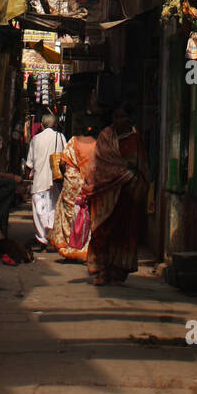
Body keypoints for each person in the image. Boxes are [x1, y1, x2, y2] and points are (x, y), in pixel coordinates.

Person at [84, 101, 149, 285]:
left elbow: (142, 168)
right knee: (102, 232)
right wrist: (121, 174)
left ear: (130, 119)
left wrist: (133, 182)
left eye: (123, 117)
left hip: (126, 195)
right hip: (105, 194)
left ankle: (118, 270)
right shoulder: (106, 137)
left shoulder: (135, 140)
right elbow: (99, 164)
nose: (119, 120)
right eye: (116, 117)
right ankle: (101, 269)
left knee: (123, 234)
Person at [50, 115, 97, 261]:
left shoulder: (73, 142)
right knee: (86, 216)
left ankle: (69, 248)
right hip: (88, 184)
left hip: (71, 184)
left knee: (68, 215)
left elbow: (63, 163)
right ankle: (84, 249)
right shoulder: (97, 145)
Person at [25, 112, 67, 250]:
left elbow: (29, 163)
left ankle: (42, 238)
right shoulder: (61, 137)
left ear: (42, 125)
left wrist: (25, 179)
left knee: (40, 210)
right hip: (56, 180)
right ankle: (51, 237)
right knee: (53, 208)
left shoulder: (35, 139)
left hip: (39, 181)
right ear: (55, 125)